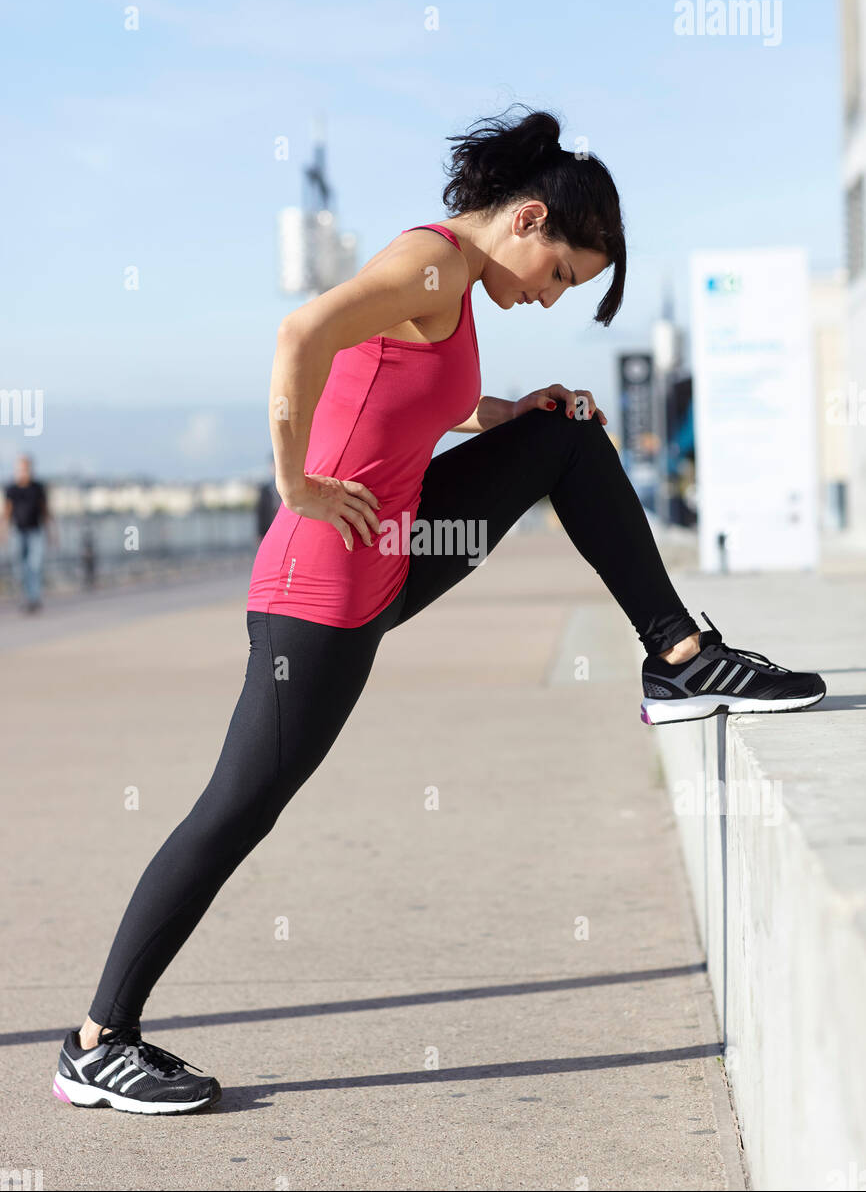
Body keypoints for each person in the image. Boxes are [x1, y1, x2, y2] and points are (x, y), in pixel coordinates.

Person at [53, 107, 826, 1115]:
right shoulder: (429, 267)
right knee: (238, 805)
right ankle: (98, 1038)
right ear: (527, 220)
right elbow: (301, 333)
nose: (548, 298)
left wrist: (496, 416)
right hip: (323, 580)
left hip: (392, 550)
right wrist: (297, 485)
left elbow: (406, 386)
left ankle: (676, 653)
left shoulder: (452, 285)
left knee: (562, 432)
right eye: (557, 274)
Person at [2, 454, 54, 612]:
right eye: (21, 468)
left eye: (26, 468)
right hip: (18, 532)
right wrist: (3, 532)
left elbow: (45, 511)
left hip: (36, 532)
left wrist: (51, 532)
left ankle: (34, 598)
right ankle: (26, 597)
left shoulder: (38, 487)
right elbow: (7, 512)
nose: (24, 471)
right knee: (21, 567)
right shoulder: (12, 489)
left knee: (35, 565)